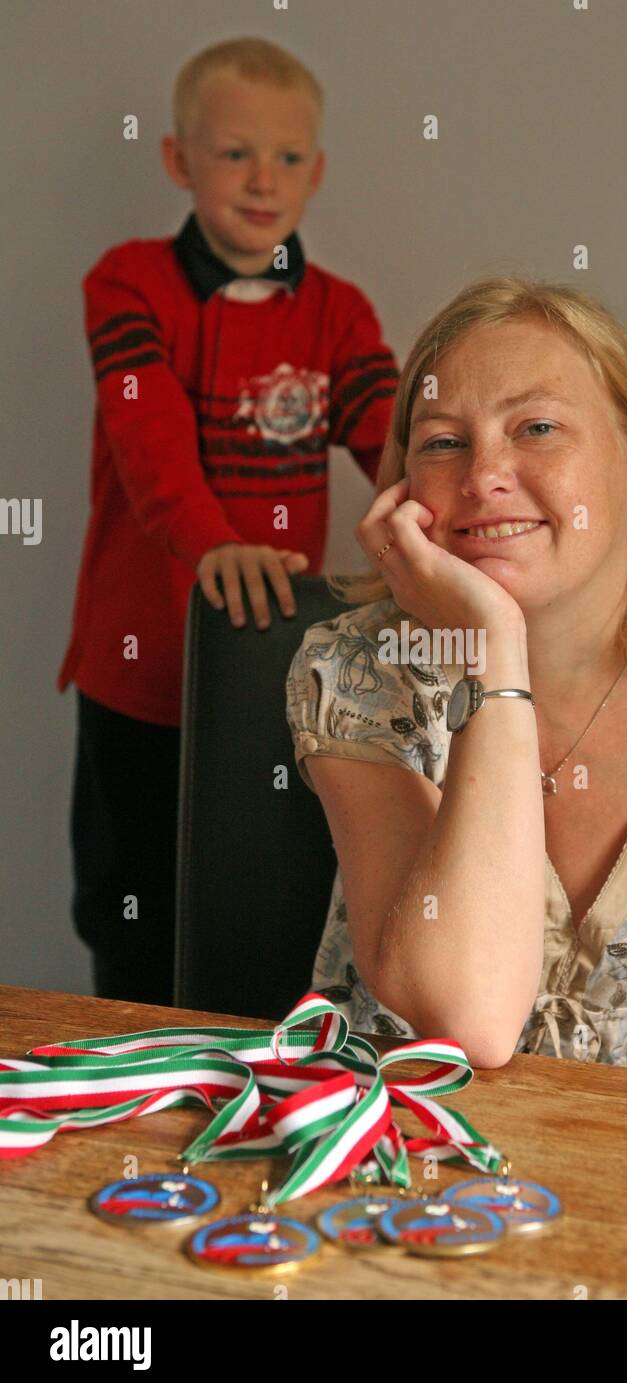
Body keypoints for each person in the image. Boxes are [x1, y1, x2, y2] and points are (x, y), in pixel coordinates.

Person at [285, 276, 627, 1082]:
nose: (483, 476)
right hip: (396, 1178)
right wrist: (495, 653)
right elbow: (466, 1020)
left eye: (537, 428)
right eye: (442, 442)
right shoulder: (359, 672)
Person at [57, 38, 399, 1005]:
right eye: (235, 152)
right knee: (128, 902)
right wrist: (212, 541)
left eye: (288, 158)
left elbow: (396, 444)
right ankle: (126, 1094)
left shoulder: (338, 313)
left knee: (263, 909)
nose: (264, 179)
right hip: (140, 669)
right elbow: (148, 438)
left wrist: (457, 529)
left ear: (317, 171)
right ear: (179, 160)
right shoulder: (127, 284)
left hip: (272, 672)